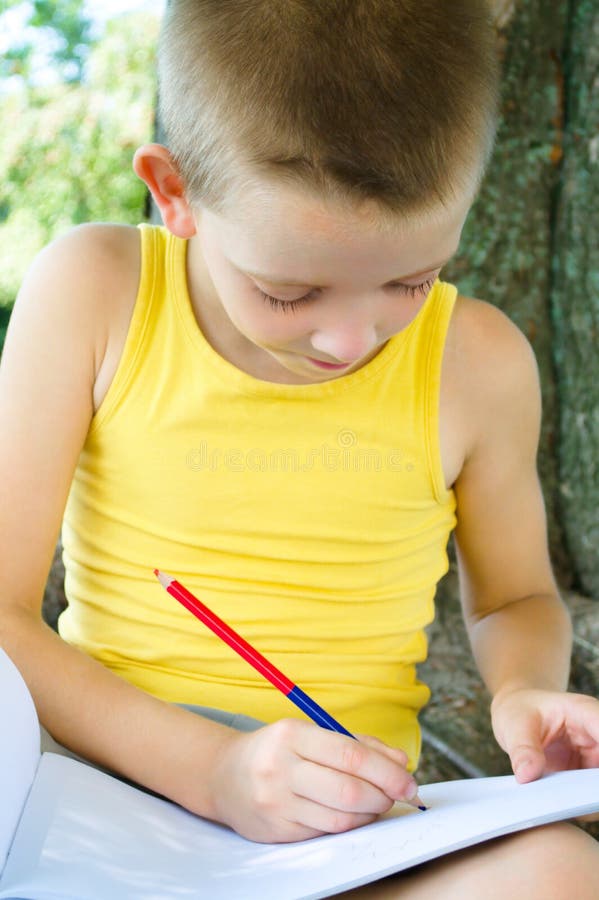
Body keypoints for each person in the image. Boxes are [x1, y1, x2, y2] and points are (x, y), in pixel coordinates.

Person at [1, 0, 598, 896]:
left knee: (561, 871)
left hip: (344, 839)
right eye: (288, 292)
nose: (348, 341)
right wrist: (214, 772)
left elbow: (516, 598)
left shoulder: (478, 364)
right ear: (174, 191)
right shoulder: (97, 293)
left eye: (409, 280)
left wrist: (520, 691)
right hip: (95, 808)